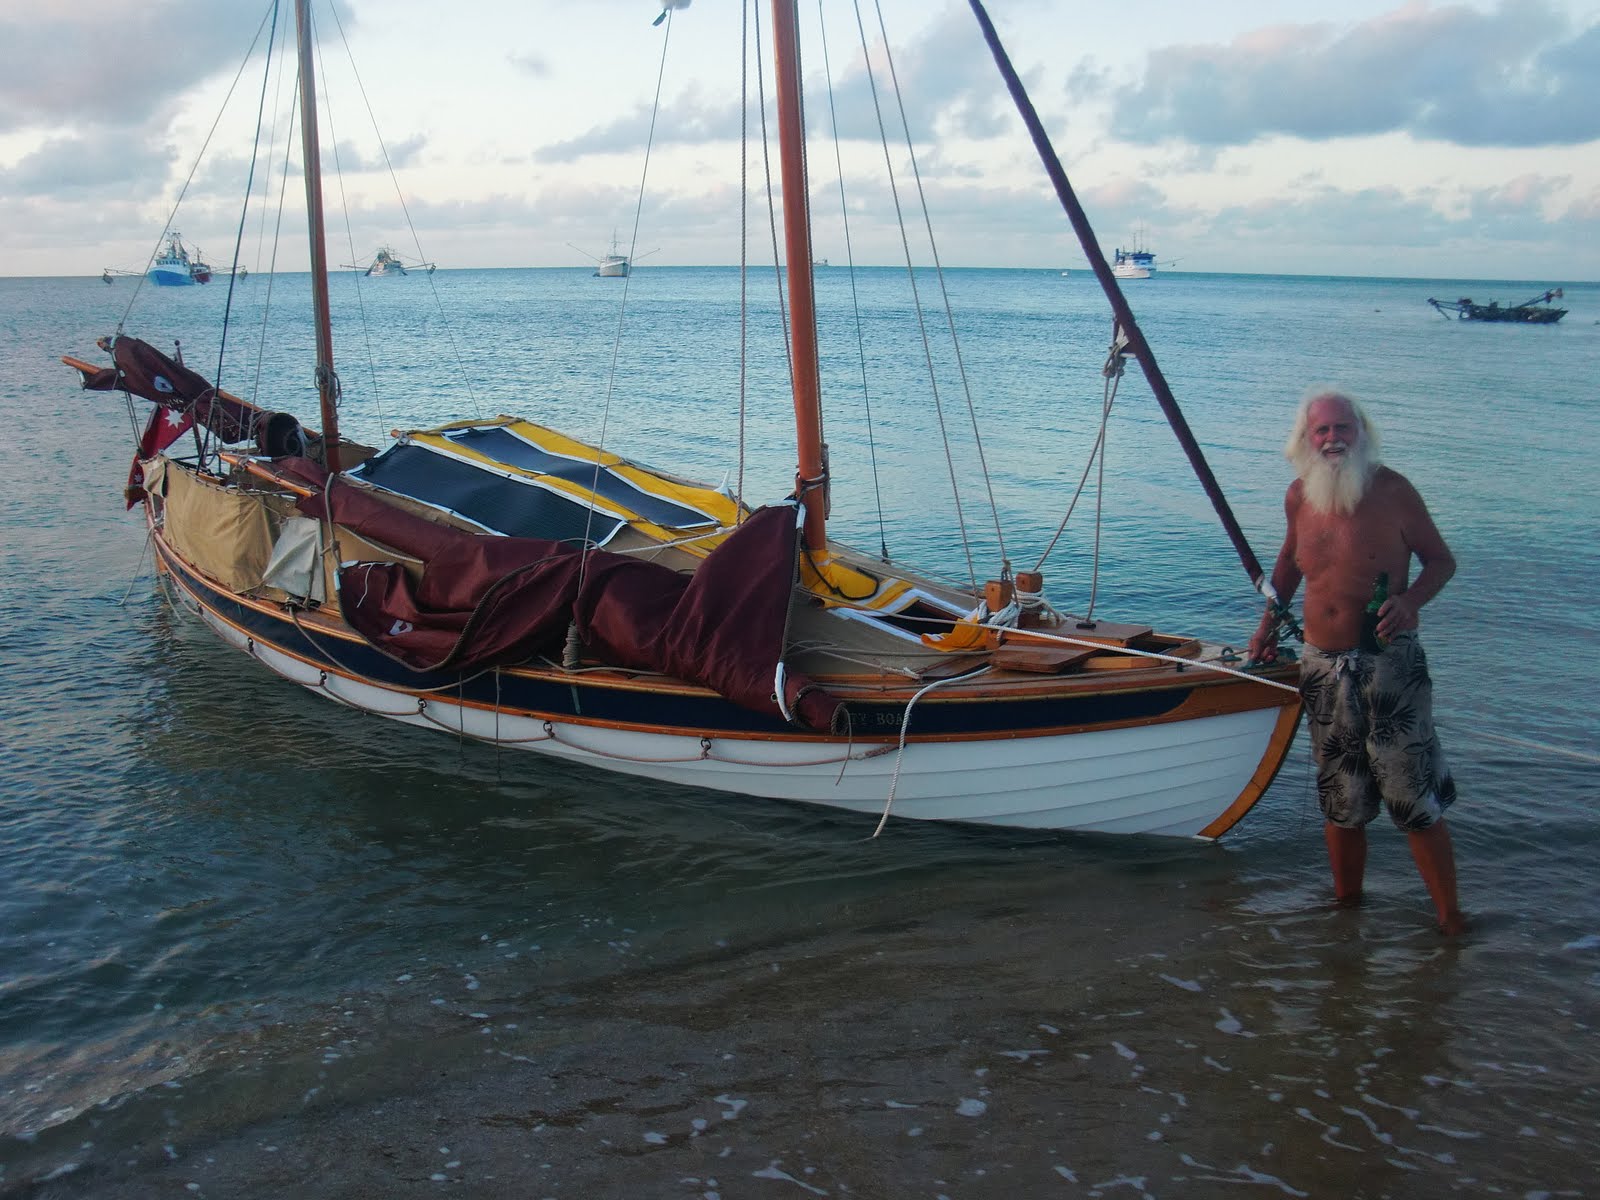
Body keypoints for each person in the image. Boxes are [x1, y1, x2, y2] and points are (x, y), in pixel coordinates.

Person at [1248, 389, 1465, 934]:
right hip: (1321, 664)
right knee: (1340, 797)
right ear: (1305, 439)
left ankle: (1451, 921)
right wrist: (1267, 627)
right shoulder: (1298, 495)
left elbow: (1441, 561)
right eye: (1321, 430)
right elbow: (1288, 563)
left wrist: (1410, 602)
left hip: (1388, 663)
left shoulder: (1394, 491)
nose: (1332, 438)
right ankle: (1346, 914)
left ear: (1361, 432)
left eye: (1342, 427)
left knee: (1412, 797)